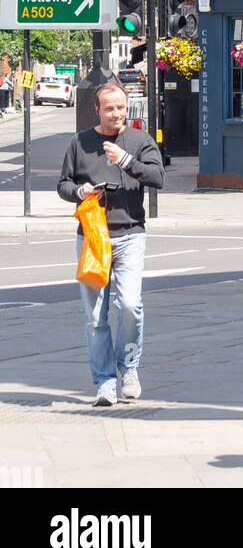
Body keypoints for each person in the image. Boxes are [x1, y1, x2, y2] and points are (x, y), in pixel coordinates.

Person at [57, 81, 164, 407]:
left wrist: (125, 161)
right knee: (95, 317)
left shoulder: (139, 141)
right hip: (92, 236)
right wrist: (81, 192)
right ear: (98, 110)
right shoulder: (80, 142)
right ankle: (104, 382)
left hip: (130, 234)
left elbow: (158, 177)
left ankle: (129, 368)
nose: (116, 114)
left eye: (120, 107)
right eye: (109, 108)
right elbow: (63, 184)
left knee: (130, 305)